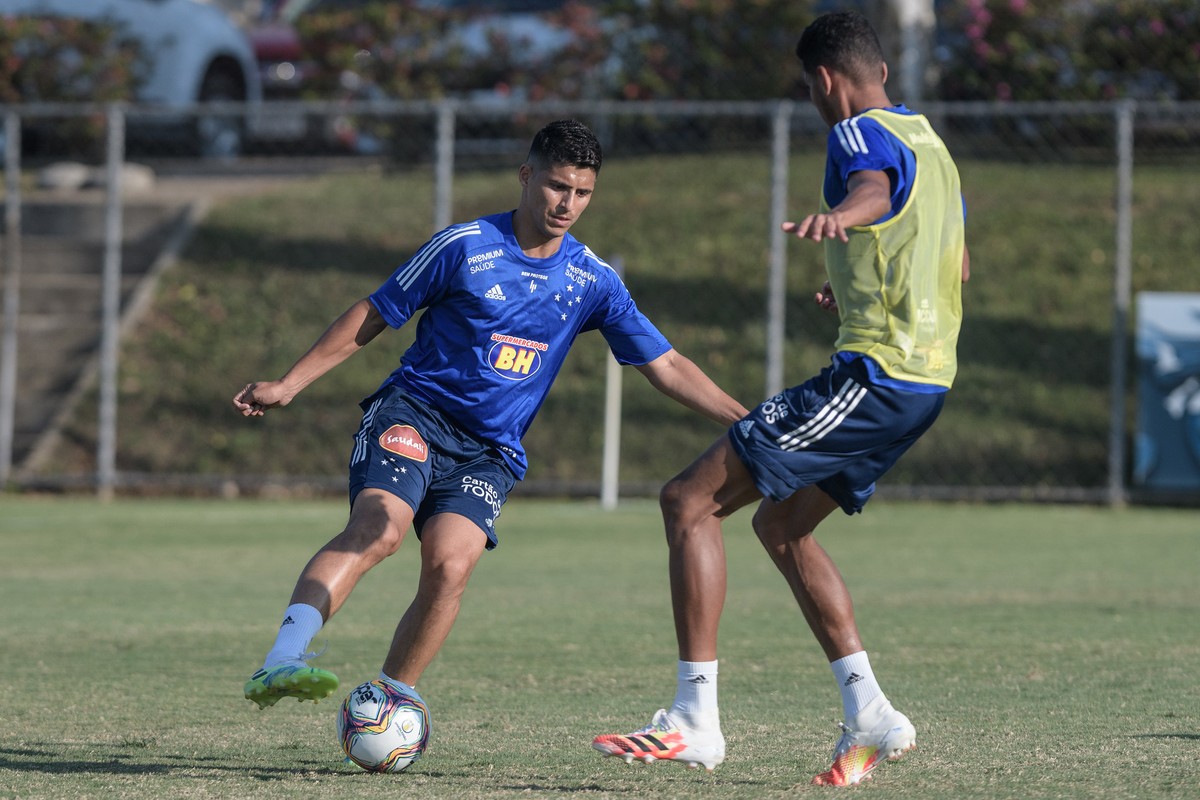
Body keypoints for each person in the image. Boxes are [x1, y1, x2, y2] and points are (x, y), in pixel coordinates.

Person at [232, 119, 749, 720]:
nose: (568, 204)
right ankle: (282, 657)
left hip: (489, 452)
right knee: (381, 529)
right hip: (415, 414)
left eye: (582, 193)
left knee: (451, 565)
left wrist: (749, 423)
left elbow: (666, 364)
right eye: (557, 186)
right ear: (526, 176)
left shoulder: (592, 279)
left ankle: (391, 702)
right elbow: (376, 312)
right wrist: (289, 383)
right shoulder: (463, 246)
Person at [592, 11, 970, 787]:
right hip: (927, 382)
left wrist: (842, 216)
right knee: (782, 525)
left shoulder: (856, 132)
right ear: (882, 70)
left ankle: (694, 720)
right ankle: (870, 712)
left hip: (876, 377)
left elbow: (871, 189)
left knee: (688, 501)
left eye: (810, 88)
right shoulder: (931, 143)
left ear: (825, 79)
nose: (814, 101)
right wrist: (858, 282)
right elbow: (952, 263)